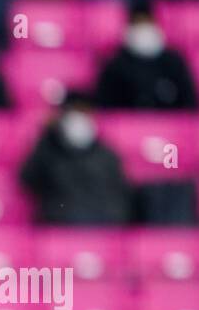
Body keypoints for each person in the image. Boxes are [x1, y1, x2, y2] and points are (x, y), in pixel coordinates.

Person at [20, 91, 134, 225]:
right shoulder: (49, 150)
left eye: (83, 112)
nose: (78, 120)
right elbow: (27, 179)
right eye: (73, 113)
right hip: (60, 226)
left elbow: (121, 194)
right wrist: (48, 137)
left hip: (103, 228)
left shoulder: (107, 154)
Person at [95, 0, 198, 111]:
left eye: (147, 22)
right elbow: (105, 107)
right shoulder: (114, 64)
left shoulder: (174, 62)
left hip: (169, 125)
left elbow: (190, 104)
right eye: (137, 23)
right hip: (129, 125)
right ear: (128, 27)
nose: (143, 29)